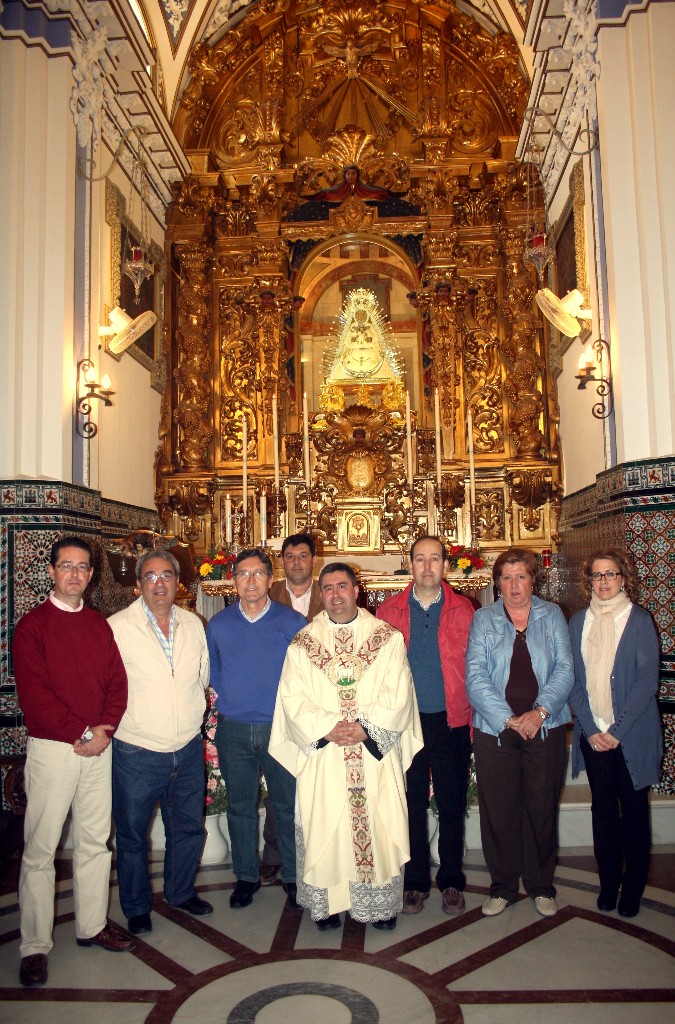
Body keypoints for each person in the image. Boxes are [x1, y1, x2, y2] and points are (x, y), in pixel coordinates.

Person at [270, 562, 422, 931]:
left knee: (378, 825)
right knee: (326, 827)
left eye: (342, 587)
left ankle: (380, 905)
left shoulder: (387, 639)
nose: (336, 595)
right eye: (328, 589)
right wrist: (329, 728)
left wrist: (365, 729)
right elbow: (293, 698)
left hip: (371, 753)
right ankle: (330, 906)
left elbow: (398, 694)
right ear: (320, 595)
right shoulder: (303, 643)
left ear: (358, 590)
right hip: (326, 754)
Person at [13, 536, 134, 988]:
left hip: (96, 748)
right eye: (67, 566)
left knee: (94, 842)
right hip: (54, 751)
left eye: (83, 568)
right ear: (51, 571)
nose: (75, 575)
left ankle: (91, 925)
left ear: (91, 574)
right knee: (42, 850)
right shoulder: (32, 627)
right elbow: (36, 696)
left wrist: (104, 729)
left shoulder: (98, 625)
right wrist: (84, 733)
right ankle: (34, 945)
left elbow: (117, 684)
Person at [465, 547, 573, 918]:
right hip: (496, 729)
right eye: (507, 578)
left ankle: (541, 885)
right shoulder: (483, 619)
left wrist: (539, 713)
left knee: (542, 807)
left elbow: (565, 669)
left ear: (533, 580)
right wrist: (510, 719)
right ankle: (503, 886)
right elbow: (475, 676)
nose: (514, 585)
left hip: (545, 727)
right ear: (497, 583)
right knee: (499, 808)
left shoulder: (552, 614)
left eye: (521, 576)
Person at [108, 549, 212, 936]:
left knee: (187, 828)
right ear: (138, 584)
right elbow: (109, 686)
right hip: (137, 749)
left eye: (166, 575)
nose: (159, 584)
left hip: (185, 746)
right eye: (150, 577)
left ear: (177, 581)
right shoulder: (117, 627)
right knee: (133, 834)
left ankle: (180, 892)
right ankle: (136, 906)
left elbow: (201, 677)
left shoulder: (193, 624)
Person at [376, 536, 474, 917]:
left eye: (435, 559)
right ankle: (415, 882)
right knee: (411, 804)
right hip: (406, 723)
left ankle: (451, 880)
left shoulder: (465, 611)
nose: (428, 566)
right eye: (420, 559)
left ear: (446, 566)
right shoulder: (389, 611)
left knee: (451, 804)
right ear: (410, 564)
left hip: (450, 719)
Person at [206, 548, 306, 909]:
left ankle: (294, 877)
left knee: (287, 806)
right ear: (233, 581)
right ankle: (246, 876)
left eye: (258, 573)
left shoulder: (291, 622)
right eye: (243, 574)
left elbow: (304, 673)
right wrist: (230, 692)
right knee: (240, 807)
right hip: (234, 727)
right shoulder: (218, 625)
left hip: (280, 728)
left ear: (270, 578)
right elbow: (213, 670)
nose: (250, 581)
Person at [569, 548, 663, 917]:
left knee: (635, 812)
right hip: (594, 737)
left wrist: (617, 730)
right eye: (597, 575)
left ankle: (633, 887)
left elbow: (646, 682)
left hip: (631, 735)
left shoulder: (639, 620)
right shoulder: (578, 622)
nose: (604, 582)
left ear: (623, 578)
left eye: (610, 574)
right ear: (588, 580)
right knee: (603, 811)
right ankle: (609, 882)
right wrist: (592, 729)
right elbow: (573, 679)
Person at [260, 533, 322, 885]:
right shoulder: (268, 596)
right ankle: (275, 853)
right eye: (289, 556)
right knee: (279, 780)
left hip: (320, 702)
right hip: (278, 701)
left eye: (303, 555)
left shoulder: (329, 593)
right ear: (281, 561)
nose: (296, 562)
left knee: (318, 780)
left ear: (314, 560)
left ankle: (317, 849)